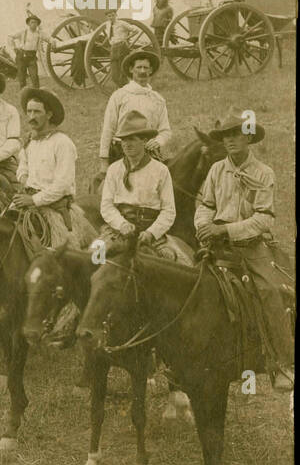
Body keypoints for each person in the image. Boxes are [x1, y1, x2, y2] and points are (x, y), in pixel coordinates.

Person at [194, 111, 294, 391]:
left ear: (248, 137)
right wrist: (204, 226)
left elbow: (264, 218)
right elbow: (206, 205)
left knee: (271, 292)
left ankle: (283, 363)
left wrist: (226, 230)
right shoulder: (216, 170)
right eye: (225, 136)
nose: (230, 140)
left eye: (236, 134)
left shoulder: (264, 173)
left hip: (250, 246)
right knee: (186, 283)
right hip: (216, 244)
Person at [97, 112, 185, 263]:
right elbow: (106, 206)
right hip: (118, 230)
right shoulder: (114, 169)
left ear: (144, 141)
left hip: (150, 231)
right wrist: (121, 224)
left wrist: (151, 233)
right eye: (123, 140)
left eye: (132, 139)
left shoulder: (160, 170)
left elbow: (169, 211)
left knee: (174, 264)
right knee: (94, 258)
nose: (126, 144)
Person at [12, 88, 92, 248]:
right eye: (29, 111)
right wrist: (25, 179)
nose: (31, 117)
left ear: (49, 115)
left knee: (61, 254)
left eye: (37, 112)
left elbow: (62, 185)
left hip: (54, 206)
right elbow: (22, 165)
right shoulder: (30, 140)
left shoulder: (62, 143)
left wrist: (34, 199)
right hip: (28, 199)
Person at [98, 50, 171, 167]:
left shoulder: (158, 100)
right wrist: (104, 160)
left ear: (151, 70)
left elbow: (165, 130)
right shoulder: (119, 96)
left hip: (149, 153)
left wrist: (158, 141)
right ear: (131, 70)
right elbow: (108, 128)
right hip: (122, 152)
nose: (142, 71)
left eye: (146, 68)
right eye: (139, 67)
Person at [9, 10, 44, 89]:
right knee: (22, 76)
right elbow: (10, 36)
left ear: (37, 24)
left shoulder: (39, 34)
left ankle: (37, 93)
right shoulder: (23, 32)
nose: (34, 24)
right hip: (22, 56)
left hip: (32, 57)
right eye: (32, 22)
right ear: (28, 23)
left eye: (35, 22)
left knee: (34, 76)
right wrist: (14, 48)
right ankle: (23, 92)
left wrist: (53, 42)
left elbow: (49, 38)